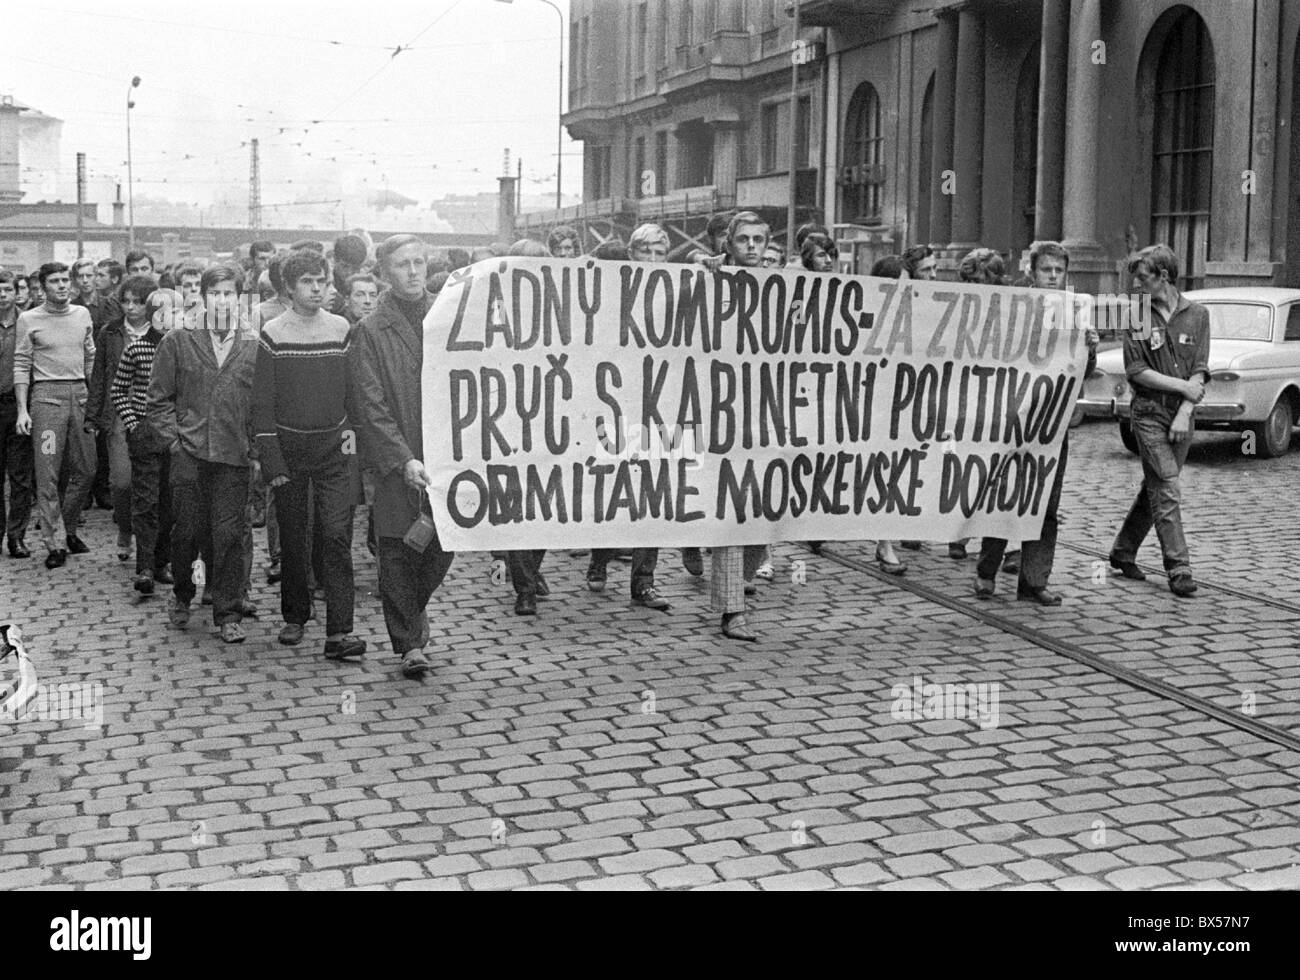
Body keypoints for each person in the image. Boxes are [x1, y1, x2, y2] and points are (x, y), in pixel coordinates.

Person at [351, 234, 455, 678]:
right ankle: (409, 642)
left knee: (442, 545)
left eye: (419, 262)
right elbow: (369, 405)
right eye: (402, 265)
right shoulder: (370, 331)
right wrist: (401, 457)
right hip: (399, 459)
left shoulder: (450, 315)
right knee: (396, 547)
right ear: (383, 273)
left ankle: (414, 612)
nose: (414, 272)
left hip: (451, 453)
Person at [254, 250, 365, 660]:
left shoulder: (341, 328)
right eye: (307, 282)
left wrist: (352, 454)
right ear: (288, 287)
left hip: (334, 452)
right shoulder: (274, 331)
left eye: (322, 281)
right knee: (295, 538)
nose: (316, 289)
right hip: (290, 451)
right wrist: (272, 460)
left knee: (336, 536)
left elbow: (353, 399)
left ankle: (340, 629)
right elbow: (262, 402)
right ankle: (295, 616)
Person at [974, 241, 1094, 605]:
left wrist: (1088, 349)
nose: (1053, 277)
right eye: (1047, 270)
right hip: (1012, 421)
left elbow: (1081, 374)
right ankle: (986, 571)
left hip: (1051, 426)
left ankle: (1034, 581)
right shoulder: (1014, 309)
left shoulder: (1076, 312)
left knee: (1046, 503)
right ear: (1033, 272)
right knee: (1003, 495)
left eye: (1059, 271)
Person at [147, 264, 259, 643]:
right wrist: (175, 442)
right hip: (190, 453)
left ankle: (227, 612)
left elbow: (261, 404)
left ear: (239, 297)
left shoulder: (254, 344)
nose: (222, 300)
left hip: (233, 456)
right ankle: (182, 593)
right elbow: (158, 400)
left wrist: (253, 448)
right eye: (215, 293)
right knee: (187, 532)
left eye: (229, 293)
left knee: (228, 535)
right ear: (203, 296)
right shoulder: (178, 340)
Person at [1108, 244, 1209, 598]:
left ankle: (1123, 551)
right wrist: (1183, 387)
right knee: (1167, 486)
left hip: (1181, 415)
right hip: (1148, 413)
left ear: (1163, 276)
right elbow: (1136, 371)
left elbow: (1200, 370)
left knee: (1155, 486)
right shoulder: (1136, 314)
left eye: (1142, 277)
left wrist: (1184, 411)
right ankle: (1179, 568)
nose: (1136, 283)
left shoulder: (1198, 314)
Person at [584, 222, 671, 611]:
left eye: (659, 252)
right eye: (645, 252)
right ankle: (600, 557)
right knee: (614, 487)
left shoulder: (677, 290)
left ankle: (644, 582)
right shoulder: (610, 290)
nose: (652, 260)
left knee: (654, 493)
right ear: (631, 254)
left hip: (661, 404)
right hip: (615, 403)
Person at [12, 262, 97, 568]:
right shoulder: (29, 319)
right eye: (55, 281)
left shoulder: (82, 315)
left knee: (87, 469)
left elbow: (90, 357)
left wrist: (96, 401)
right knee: (48, 473)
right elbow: (21, 365)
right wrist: (23, 410)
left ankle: (68, 528)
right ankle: (55, 542)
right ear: (43, 286)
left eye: (65, 280)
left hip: (81, 399)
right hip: (47, 403)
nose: (62, 285)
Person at [111, 288, 179, 595]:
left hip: (175, 435)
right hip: (144, 433)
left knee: (170, 502)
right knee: (145, 501)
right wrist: (133, 424)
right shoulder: (137, 349)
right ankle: (146, 567)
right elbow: (118, 390)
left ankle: (163, 562)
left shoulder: (181, 348)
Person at [87, 273, 158, 563]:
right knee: (122, 481)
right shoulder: (110, 332)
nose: (131, 308)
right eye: (126, 301)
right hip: (118, 412)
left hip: (152, 411)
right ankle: (125, 529)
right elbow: (100, 374)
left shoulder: (161, 332)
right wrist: (93, 416)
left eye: (138, 302)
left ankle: (149, 544)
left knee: (151, 483)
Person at [0, 272, 35, 559]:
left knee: (21, 476)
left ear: (16, 291)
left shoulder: (28, 321)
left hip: (19, 405)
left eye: (7, 289)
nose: (3, 295)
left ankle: (16, 536)